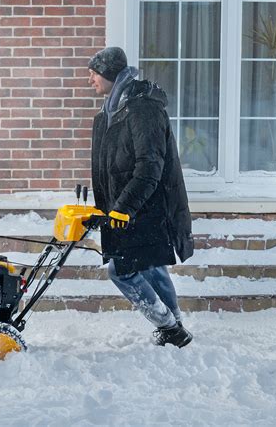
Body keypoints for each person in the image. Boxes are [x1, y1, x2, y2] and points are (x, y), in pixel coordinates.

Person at [88, 46, 194, 348]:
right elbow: (109, 166)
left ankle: (167, 324)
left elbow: (150, 165)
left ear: (109, 73)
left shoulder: (142, 108)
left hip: (144, 208)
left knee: (121, 270)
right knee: (151, 267)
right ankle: (176, 330)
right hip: (126, 210)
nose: (90, 79)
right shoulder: (111, 110)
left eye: (94, 73)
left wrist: (124, 207)